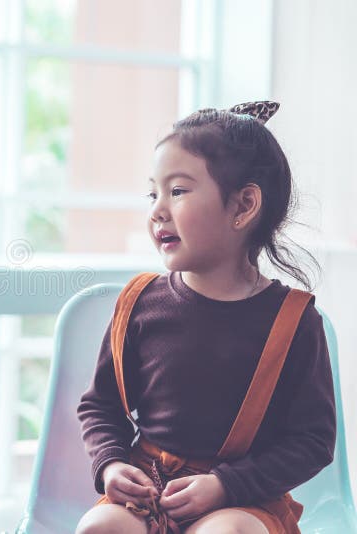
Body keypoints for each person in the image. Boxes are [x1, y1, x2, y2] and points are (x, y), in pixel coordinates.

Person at [75, 102, 336, 534]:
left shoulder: (294, 322)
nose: (158, 210)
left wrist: (225, 485)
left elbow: (311, 442)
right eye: (152, 193)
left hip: (241, 500)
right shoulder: (140, 302)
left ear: (244, 205)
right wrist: (111, 464)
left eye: (177, 191)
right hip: (149, 491)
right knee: (97, 528)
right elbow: (100, 404)